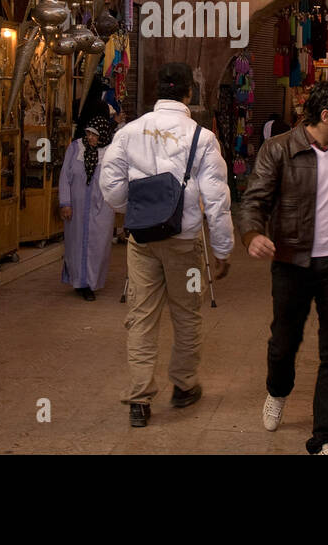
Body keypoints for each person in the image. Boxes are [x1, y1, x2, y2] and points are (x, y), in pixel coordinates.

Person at [98, 62, 233, 428]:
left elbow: (109, 185)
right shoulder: (202, 138)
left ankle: (139, 400)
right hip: (184, 243)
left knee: (141, 317)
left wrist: (135, 211)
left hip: (141, 242)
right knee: (186, 314)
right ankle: (184, 385)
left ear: (158, 90)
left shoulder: (129, 132)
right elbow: (217, 200)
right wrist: (222, 249)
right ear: (189, 92)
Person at [238, 80, 328, 455]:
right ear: (325, 116)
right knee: (284, 342)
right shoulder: (279, 149)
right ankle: (277, 391)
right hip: (292, 261)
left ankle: (325, 436)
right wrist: (251, 236)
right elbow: (255, 200)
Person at [59, 123, 113, 300]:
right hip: (76, 209)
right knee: (75, 245)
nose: (90, 138)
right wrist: (65, 203)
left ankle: (90, 282)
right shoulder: (75, 148)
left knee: (98, 245)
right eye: (88, 133)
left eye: (95, 135)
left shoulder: (109, 153)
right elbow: (64, 177)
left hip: (102, 209)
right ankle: (80, 282)